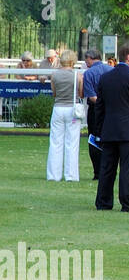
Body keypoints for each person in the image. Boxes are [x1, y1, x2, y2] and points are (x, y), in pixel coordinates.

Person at [95, 44, 129, 212]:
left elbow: (99, 107)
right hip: (128, 130)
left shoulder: (105, 78)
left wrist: (99, 130)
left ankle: (104, 202)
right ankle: (126, 203)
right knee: (126, 168)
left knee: (107, 167)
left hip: (110, 129)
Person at [46, 49, 82, 182]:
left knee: (55, 142)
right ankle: (71, 175)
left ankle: (53, 175)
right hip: (72, 109)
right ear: (73, 61)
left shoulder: (54, 75)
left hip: (58, 108)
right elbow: (81, 93)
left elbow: (54, 93)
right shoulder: (77, 75)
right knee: (72, 143)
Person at [82, 48, 109, 180]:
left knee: (94, 140)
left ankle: (97, 172)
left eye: (86, 59)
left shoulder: (89, 73)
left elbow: (91, 96)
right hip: (110, 110)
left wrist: (101, 103)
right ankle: (108, 170)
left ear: (90, 58)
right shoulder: (111, 70)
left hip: (95, 111)